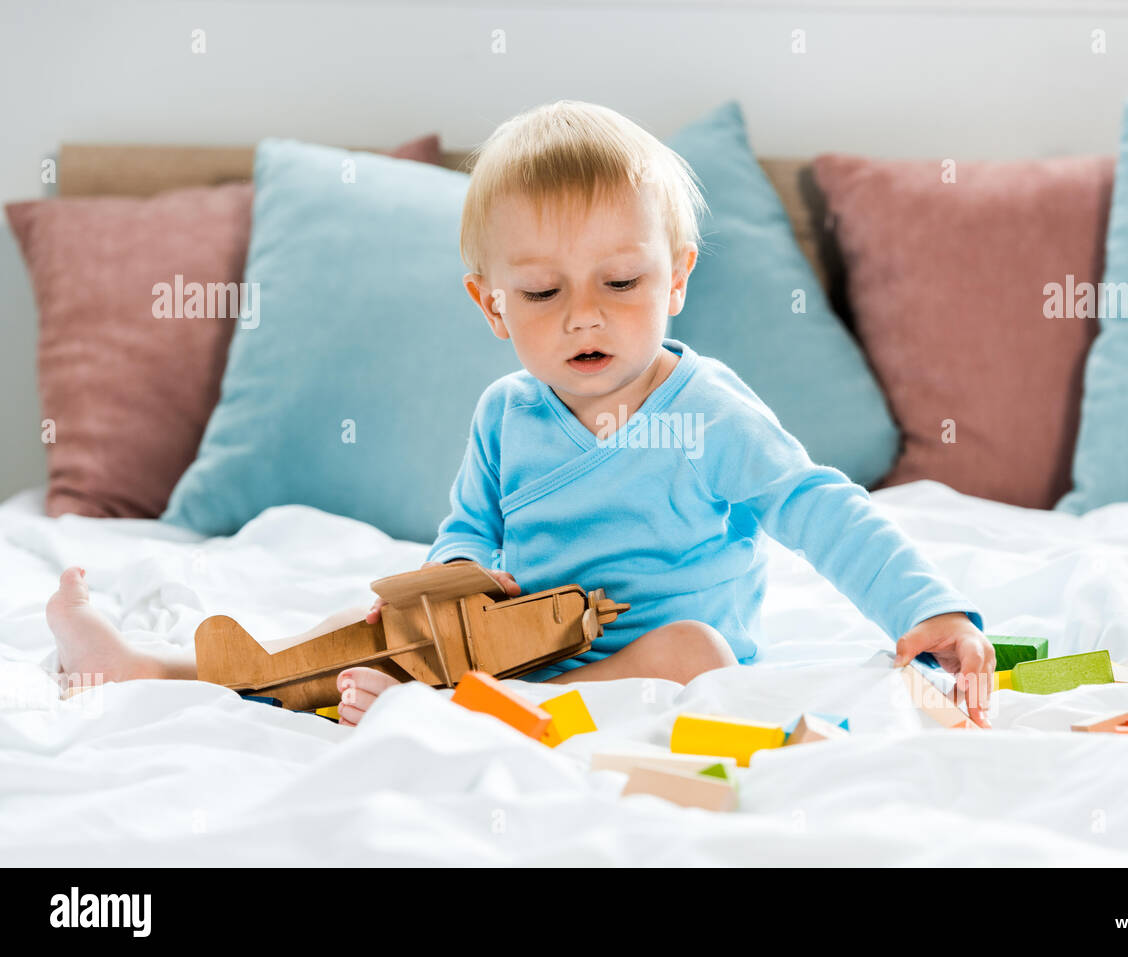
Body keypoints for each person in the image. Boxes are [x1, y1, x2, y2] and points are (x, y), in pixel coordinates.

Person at [46, 100, 994, 729]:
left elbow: (822, 507)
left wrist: (927, 608)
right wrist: (451, 585)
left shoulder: (708, 413)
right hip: (517, 637)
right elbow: (467, 527)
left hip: (638, 654)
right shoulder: (506, 411)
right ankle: (158, 669)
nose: (585, 313)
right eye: (541, 293)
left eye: (621, 281)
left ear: (678, 277)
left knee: (696, 653)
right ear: (490, 306)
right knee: (362, 621)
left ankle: (480, 706)